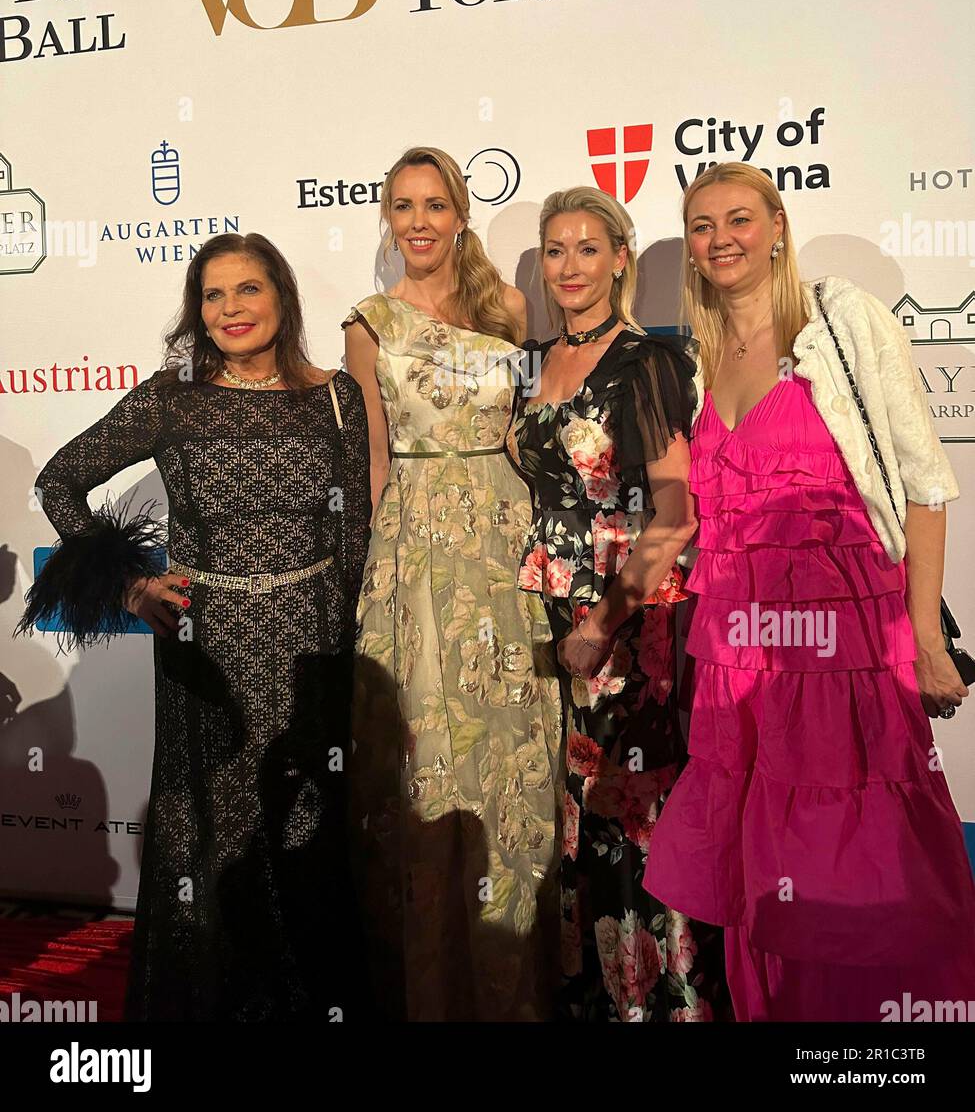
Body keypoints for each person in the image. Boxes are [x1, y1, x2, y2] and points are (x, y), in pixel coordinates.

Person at [644, 161, 975, 1021]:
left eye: (739, 219)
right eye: (703, 224)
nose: (721, 239)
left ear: (778, 226)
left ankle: (875, 1048)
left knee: (857, 850)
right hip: (740, 656)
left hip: (848, 651)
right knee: (761, 860)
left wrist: (928, 643)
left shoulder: (840, 320)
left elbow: (924, 483)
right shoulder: (695, 355)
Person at [18, 232, 371, 1021]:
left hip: (310, 649)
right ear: (196, 312)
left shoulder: (339, 397)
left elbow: (352, 542)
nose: (230, 309)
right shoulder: (171, 397)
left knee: (305, 835)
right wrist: (132, 583)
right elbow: (60, 482)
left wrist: (347, 654)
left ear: (281, 295)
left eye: (247, 290)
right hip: (202, 649)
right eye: (213, 295)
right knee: (210, 837)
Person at [343, 146, 562, 1021]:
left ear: (461, 214)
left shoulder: (506, 306)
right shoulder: (369, 324)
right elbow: (372, 460)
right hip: (418, 548)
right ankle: (434, 992)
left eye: (435, 204)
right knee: (435, 760)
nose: (420, 222)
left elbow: (524, 430)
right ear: (388, 221)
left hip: (502, 543)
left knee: (509, 752)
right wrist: (380, 573)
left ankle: (513, 982)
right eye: (403, 207)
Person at [511, 185, 730, 1022]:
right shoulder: (532, 359)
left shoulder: (648, 362)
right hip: (553, 609)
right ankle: (603, 996)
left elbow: (673, 517)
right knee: (581, 814)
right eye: (555, 251)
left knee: (632, 812)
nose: (569, 267)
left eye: (587, 249)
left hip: (625, 615)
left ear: (620, 260)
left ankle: (669, 1001)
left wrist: (603, 624)